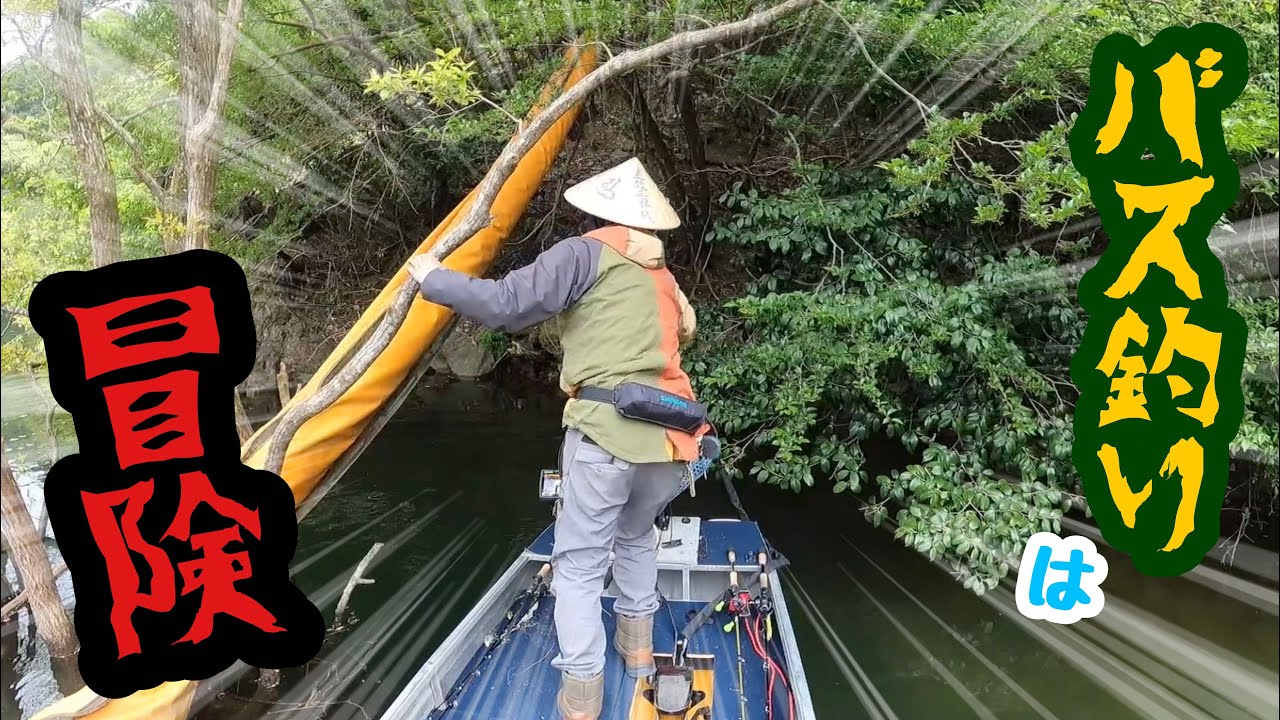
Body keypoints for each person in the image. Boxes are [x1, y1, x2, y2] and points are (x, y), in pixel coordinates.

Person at [407, 158, 704, 720]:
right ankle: (639, 655)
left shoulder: (584, 253)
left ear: (599, 210)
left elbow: (505, 306)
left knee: (580, 565)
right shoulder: (661, 276)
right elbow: (678, 334)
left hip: (606, 434)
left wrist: (434, 279)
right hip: (671, 440)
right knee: (637, 536)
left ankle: (582, 697)